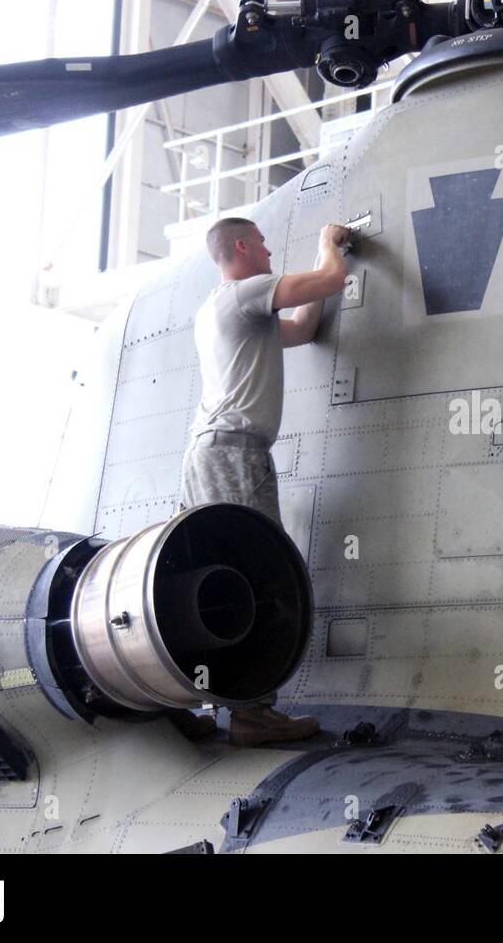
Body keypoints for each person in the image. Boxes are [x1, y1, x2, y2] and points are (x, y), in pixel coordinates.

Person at [174, 216, 351, 746]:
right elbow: (330, 282)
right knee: (256, 574)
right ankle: (252, 715)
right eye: (266, 243)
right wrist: (329, 245)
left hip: (205, 455)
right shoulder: (242, 294)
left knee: (203, 579)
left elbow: (302, 327)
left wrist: (321, 278)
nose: (272, 251)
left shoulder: (219, 310)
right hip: (236, 453)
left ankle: (195, 699)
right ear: (244, 247)